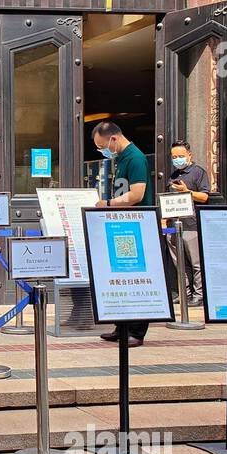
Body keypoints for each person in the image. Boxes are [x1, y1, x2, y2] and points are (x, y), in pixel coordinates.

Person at [92, 121, 154, 347]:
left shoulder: (135, 158)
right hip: (124, 224)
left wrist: (108, 203)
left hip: (137, 224)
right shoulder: (122, 158)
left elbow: (137, 194)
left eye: (102, 146)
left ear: (113, 139)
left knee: (135, 277)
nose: (102, 151)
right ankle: (122, 327)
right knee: (123, 277)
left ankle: (136, 331)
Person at [165, 141, 210, 307]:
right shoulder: (173, 176)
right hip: (174, 224)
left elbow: (205, 197)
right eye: (174, 157)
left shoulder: (198, 172)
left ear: (189, 155)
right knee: (179, 262)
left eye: (181, 156)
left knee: (196, 262)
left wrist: (187, 192)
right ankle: (184, 293)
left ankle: (199, 295)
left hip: (192, 224)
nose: (177, 159)